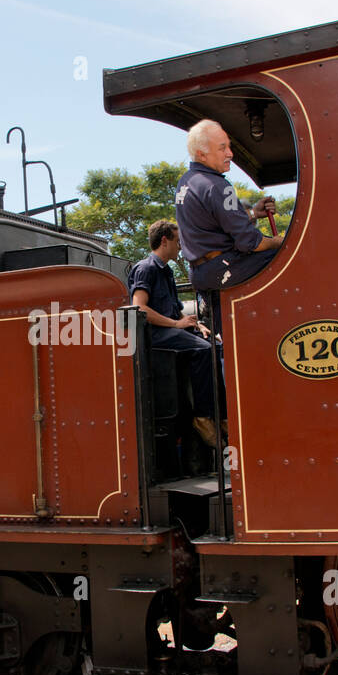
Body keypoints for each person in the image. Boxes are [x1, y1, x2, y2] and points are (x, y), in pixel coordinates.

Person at [127, 220, 224, 447]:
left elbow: (175, 311)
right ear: (164, 240)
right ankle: (203, 416)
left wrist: (194, 325)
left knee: (215, 344)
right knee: (205, 350)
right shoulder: (146, 268)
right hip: (155, 336)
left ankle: (222, 415)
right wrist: (175, 324)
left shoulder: (167, 270)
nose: (180, 246)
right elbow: (139, 307)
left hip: (170, 330)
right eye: (177, 241)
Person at [175, 119, 282, 294]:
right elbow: (250, 243)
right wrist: (277, 242)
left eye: (229, 147)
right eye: (222, 148)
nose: (230, 154)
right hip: (222, 268)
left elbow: (213, 223)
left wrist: (254, 213)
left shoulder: (186, 181)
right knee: (284, 256)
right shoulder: (219, 186)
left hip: (200, 273)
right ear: (202, 155)